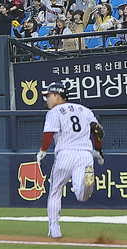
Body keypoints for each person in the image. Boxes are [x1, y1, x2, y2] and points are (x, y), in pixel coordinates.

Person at [37, 83, 103, 240]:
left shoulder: (54, 112)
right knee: (82, 195)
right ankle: (87, 184)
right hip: (85, 154)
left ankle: (55, 230)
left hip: (65, 154)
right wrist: (98, 149)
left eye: (49, 96)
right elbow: (97, 131)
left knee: (55, 191)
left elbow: (48, 134)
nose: (47, 99)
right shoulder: (84, 110)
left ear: (57, 96)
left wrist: (43, 150)